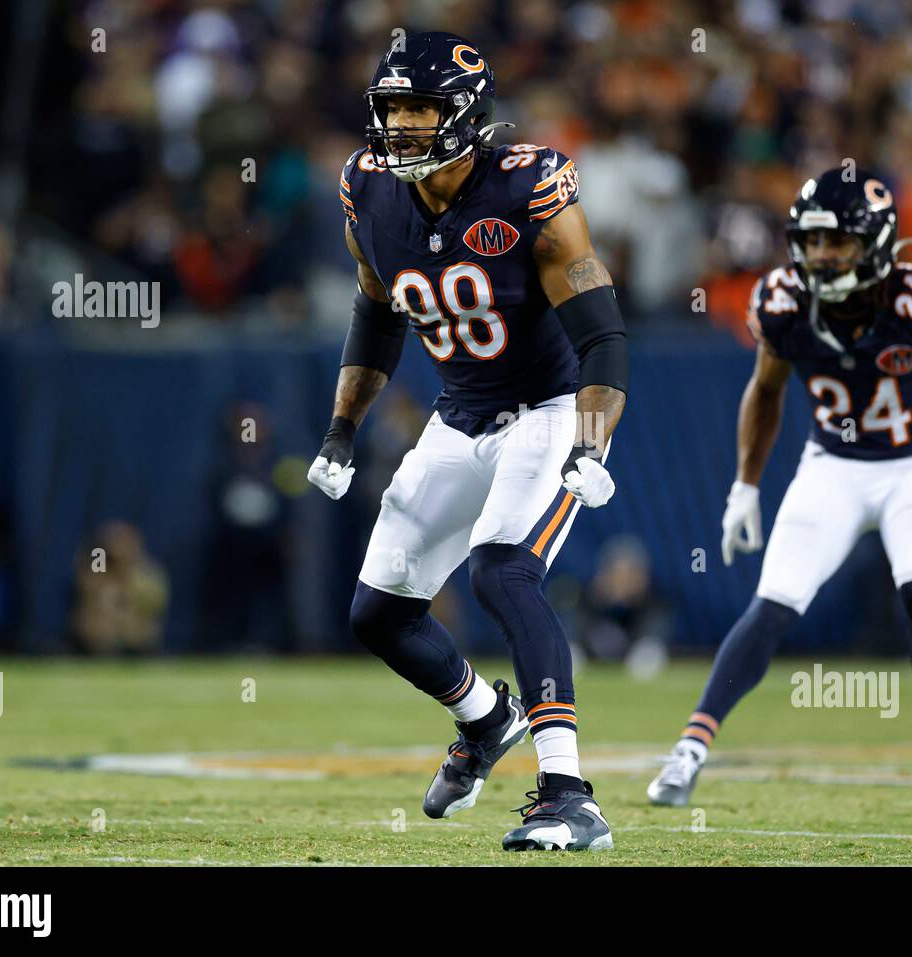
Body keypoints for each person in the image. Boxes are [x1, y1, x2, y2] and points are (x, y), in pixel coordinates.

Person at [307, 33, 627, 852]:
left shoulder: (525, 187)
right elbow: (376, 311)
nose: (403, 126)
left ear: (466, 114)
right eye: (393, 109)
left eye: (420, 109)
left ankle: (570, 794)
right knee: (378, 612)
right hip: (460, 413)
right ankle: (485, 719)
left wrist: (590, 444)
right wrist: (344, 429)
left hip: (551, 409)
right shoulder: (367, 189)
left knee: (503, 570)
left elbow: (601, 337)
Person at [647, 168, 912, 812]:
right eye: (810, 241)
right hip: (831, 466)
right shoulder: (784, 302)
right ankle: (689, 749)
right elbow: (766, 392)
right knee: (773, 602)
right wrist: (744, 487)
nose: (820, 255)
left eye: (837, 242)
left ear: (877, 245)